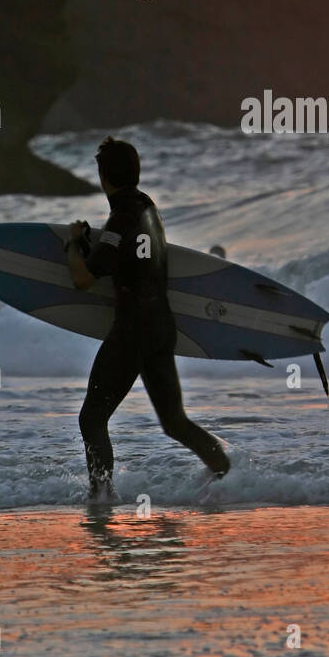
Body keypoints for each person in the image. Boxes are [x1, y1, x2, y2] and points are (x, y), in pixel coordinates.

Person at [66, 136, 230, 499]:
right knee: (174, 421)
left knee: (91, 419)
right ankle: (227, 472)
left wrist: (74, 243)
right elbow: (127, 256)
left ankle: (101, 497)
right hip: (160, 327)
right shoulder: (148, 208)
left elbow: (83, 279)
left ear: (103, 176)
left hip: (132, 332)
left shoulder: (120, 218)